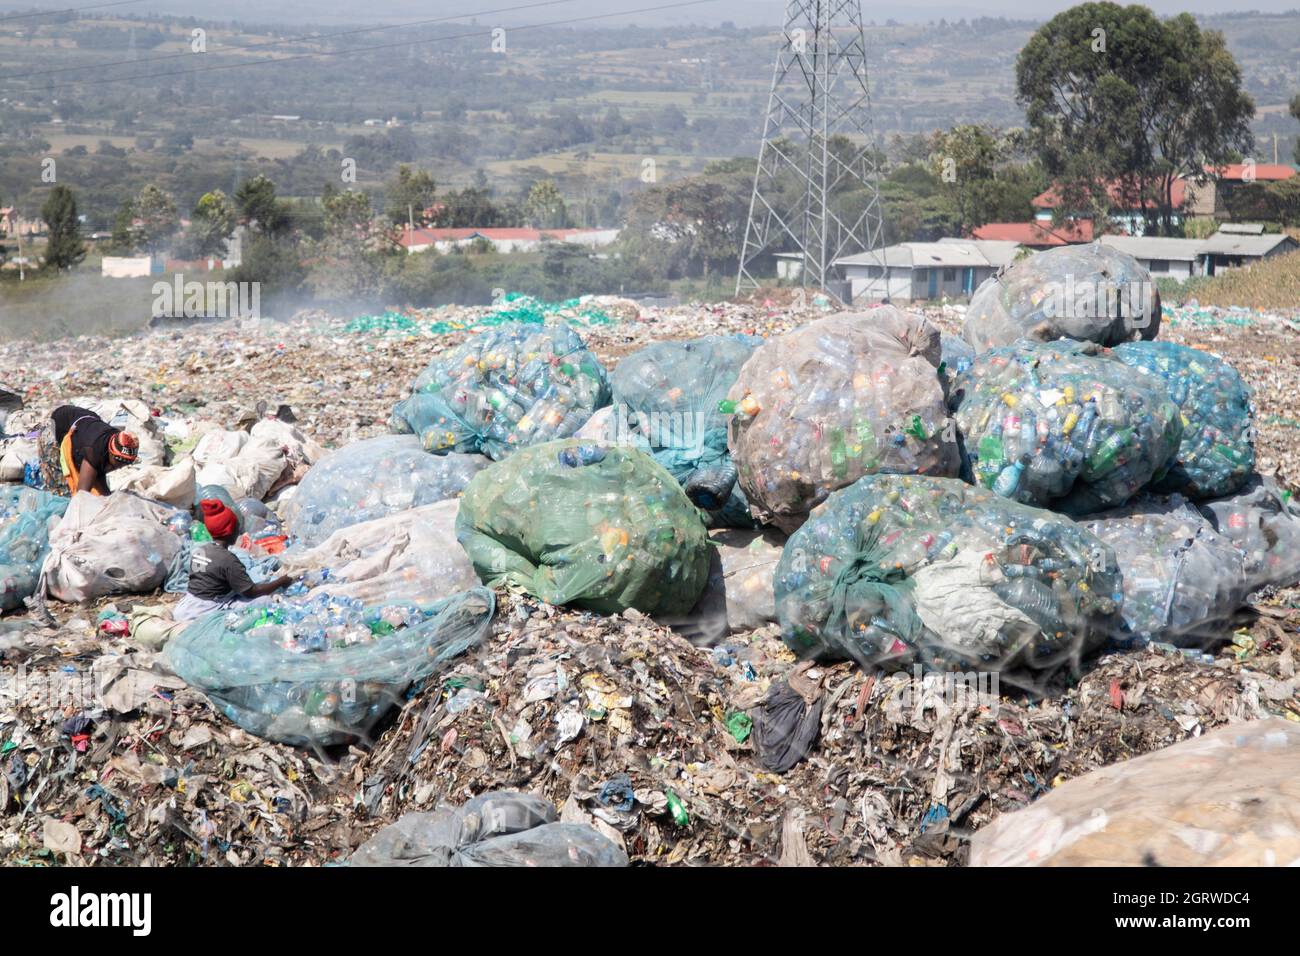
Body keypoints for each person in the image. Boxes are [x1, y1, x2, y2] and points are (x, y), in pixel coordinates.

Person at [173, 498, 294, 622]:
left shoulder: (200, 550)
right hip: (207, 608)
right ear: (230, 531)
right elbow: (251, 592)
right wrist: (281, 581)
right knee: (265, 601)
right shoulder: (228, 560)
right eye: (236, 526)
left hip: (187, 605)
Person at [40, 405, 140, 496]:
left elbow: (100, 479)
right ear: (110, 451)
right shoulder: (93, 450)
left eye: (127, 462)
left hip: (84, 421)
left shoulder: (115, 438)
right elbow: (82, 495)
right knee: (60, 487)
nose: (121, 465)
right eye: (119, 460)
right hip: (56, 423)